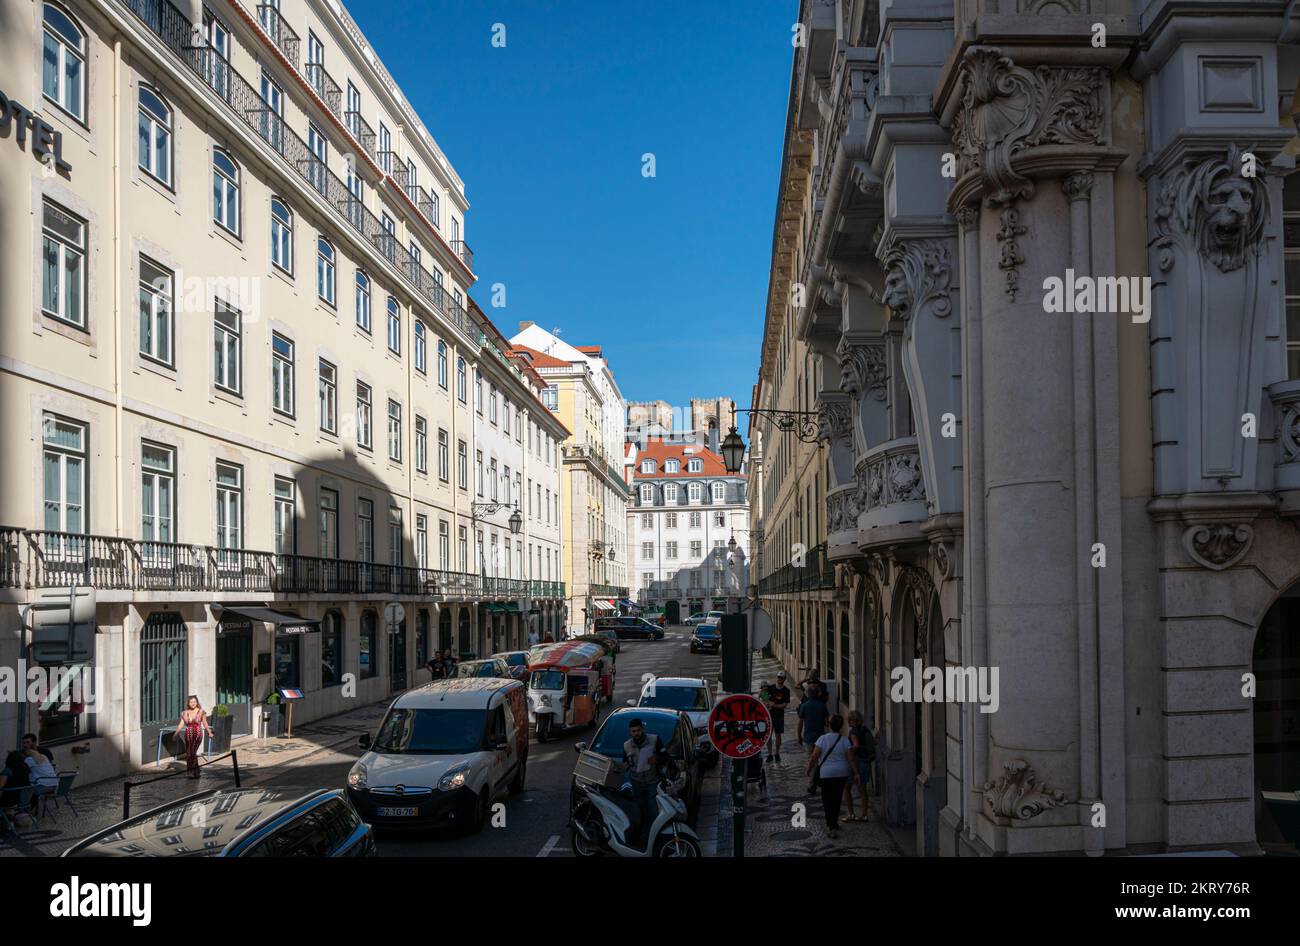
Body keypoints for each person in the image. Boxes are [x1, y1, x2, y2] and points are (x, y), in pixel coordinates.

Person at [807, 714, 857, 839]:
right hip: (842, 773)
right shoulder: (845, 740)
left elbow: (814, 756)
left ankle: (831, 826)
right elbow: (851, 759)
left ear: (829, 725)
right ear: (841, 726)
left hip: (826, 774)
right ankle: (834, 822)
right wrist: (856, 773)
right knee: (837, 798)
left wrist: (809, 769)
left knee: (827, 800)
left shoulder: (822, 739)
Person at [622, 718, 665, 849]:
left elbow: (665, 756)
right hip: (637, 784)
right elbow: (624, 763)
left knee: (653, 812)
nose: (636, 733)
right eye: (633, 731)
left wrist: (656, 759)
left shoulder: (654, 740)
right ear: (630, 732)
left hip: (652, 782)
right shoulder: (626, 745)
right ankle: (643, 840)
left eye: (638, 730)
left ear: (643, 729)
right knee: (640, 813)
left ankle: (654, 840)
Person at [843, 710, 876, 822]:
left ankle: (851, 814)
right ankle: (864, 815)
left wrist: (847, 749)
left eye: (849, 720)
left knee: (847, 788)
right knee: (863, 790)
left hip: (856, 763)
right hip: (865, 762)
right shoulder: (865, 729)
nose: (848, 722)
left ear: (852, 721)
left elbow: (856, 746)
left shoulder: (853, 732)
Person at [174, 695, 214, 779]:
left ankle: (191, 772)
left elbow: (205, 723)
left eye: (194, 702)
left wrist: (209, 732)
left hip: (197, 734)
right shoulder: (184, 712)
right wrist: (176, 734)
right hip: (188, 734)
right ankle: (196, 772)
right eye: (191, 702)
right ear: (188, 703)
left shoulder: (201, 711)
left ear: (197, 702)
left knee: (192, 751)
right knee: (189, 753)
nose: (193, 703)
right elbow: (181, 724)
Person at [766, 671, 791, 763]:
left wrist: (773, 705)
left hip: (779, 716)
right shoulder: (770, 688)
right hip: (769, 715)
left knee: (778, 735)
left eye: (781, 678)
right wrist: (767, 703)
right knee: (768, 735)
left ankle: (777, 753)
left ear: (784, 679)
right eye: (778, 677)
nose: (779, 679)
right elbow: (764, 698)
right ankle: (769, 754)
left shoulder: (786, 691)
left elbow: (784, 705)